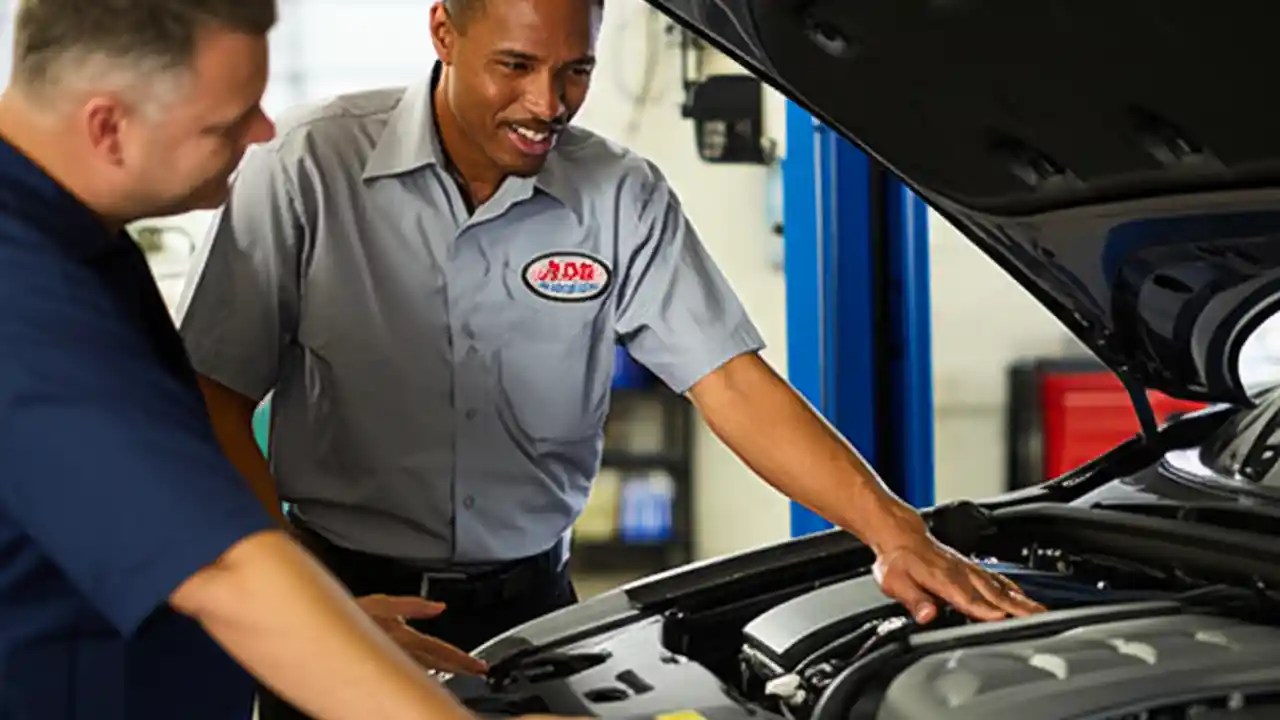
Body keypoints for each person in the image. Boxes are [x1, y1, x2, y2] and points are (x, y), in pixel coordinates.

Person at [177, 0, 1047, 715]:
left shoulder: (620, 194)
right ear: (444, 32)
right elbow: (212, 398)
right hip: (342, 591)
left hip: (533, 606)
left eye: (575, 70)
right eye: (514, 66)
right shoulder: (305, 165)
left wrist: (900, 535)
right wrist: (306, 601)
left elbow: (732, 382)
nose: (549, 104)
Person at [0, 1, 578, 718]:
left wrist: (335, 630)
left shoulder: (76, 240)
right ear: (107, 126)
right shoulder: (25, 296)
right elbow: (221, 571)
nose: (264, 131)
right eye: (229, 119)